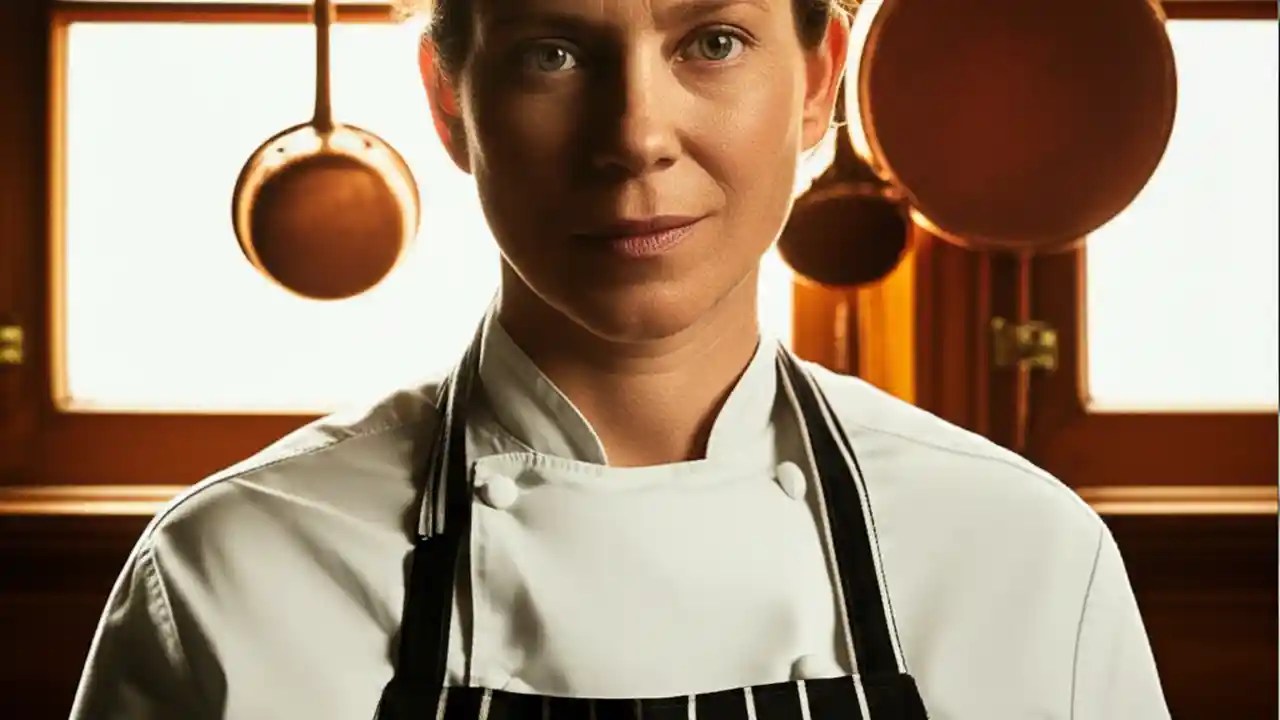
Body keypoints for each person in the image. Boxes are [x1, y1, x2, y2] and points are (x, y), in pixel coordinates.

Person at [68, 0, 1171, 717]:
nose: (636, 135)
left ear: (817, 82)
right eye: (552, 53)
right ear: (449, 101)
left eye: (712, 41)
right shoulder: (233, 573)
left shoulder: (1025, 560)